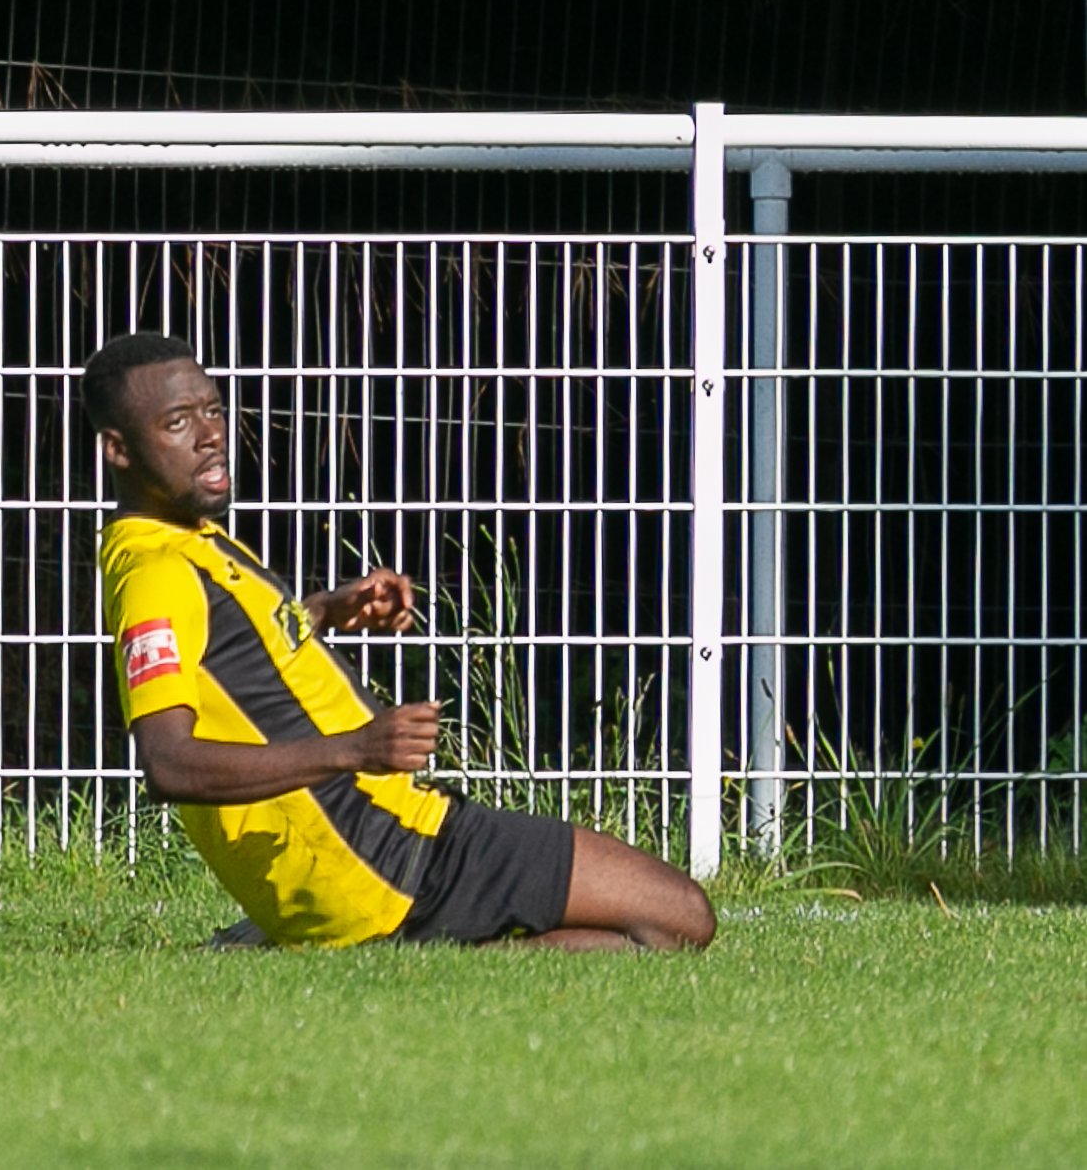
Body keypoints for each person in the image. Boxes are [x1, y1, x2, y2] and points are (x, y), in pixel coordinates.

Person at [81, 331, 713, 952]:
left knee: (651, 920)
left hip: (379, 838)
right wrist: (354, 749)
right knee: (682, 918)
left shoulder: (182, 540)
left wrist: (326, 610)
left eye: (213, 410)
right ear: (119, 450)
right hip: (380, 854)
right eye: (177, 423)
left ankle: (410, 943)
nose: (211, 435)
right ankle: (439, 951)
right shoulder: (155, 573)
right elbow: (171, 764)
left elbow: (236, 661)